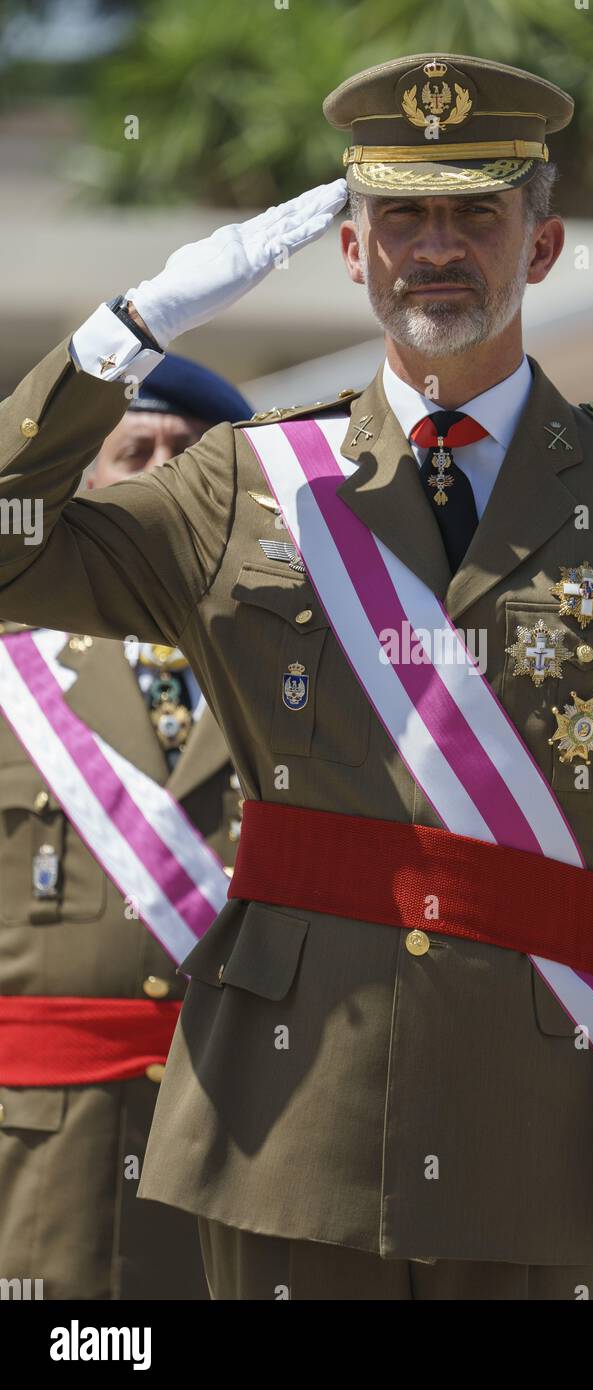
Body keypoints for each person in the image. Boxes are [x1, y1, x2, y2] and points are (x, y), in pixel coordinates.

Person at [0, 51, 593, 1302]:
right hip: (282, 1123)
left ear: (541, 243)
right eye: (400, 215)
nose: (436, 247)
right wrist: (128, 329)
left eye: (475, 210)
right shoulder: (241, 487)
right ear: (351, 252)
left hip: (543, 1121)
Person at [0, 356, 249, 1299]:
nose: (158, 468)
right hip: (45, 1145)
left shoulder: (302, 676)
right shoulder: (10, 678)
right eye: (133, 448)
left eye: (187, 454)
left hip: (246, 1134)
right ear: (86, 482)